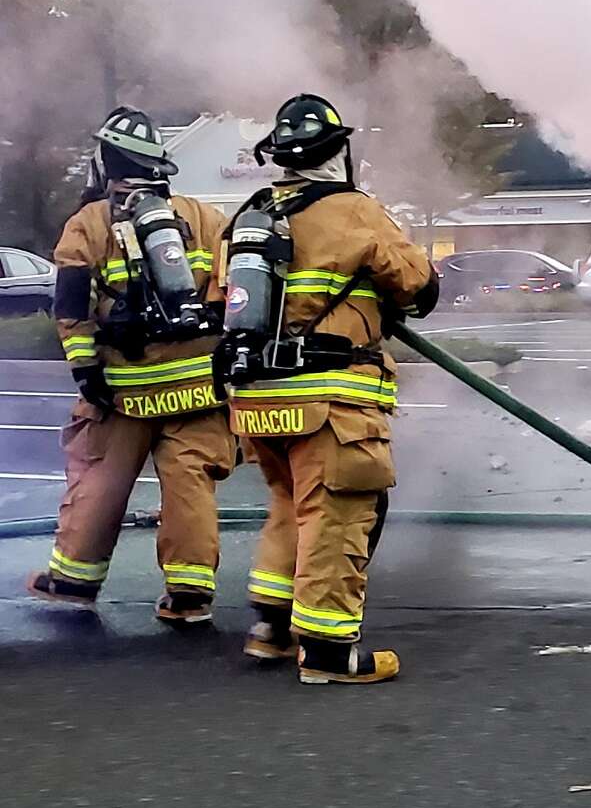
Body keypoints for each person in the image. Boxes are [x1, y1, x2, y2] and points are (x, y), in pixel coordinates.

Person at [212, 94, 438, 685]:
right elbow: (419, 285)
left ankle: (271, 629)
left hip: (258, 401)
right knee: (338, 512)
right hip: (330, 400)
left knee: (292, 502)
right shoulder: (354, 210)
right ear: (338, 152)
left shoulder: (249, 215)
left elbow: (220, 303)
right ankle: (329, 651)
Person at [27, 107, 236, 623]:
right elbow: (230, 296)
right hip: (198, 388)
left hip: (124, 389)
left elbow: (71, 309)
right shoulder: (205, 218)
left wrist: (86, 371)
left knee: (100, 476)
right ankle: (189, 595)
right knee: (190, 484)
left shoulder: (88, 225)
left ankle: (73, 581)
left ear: (107, 160)